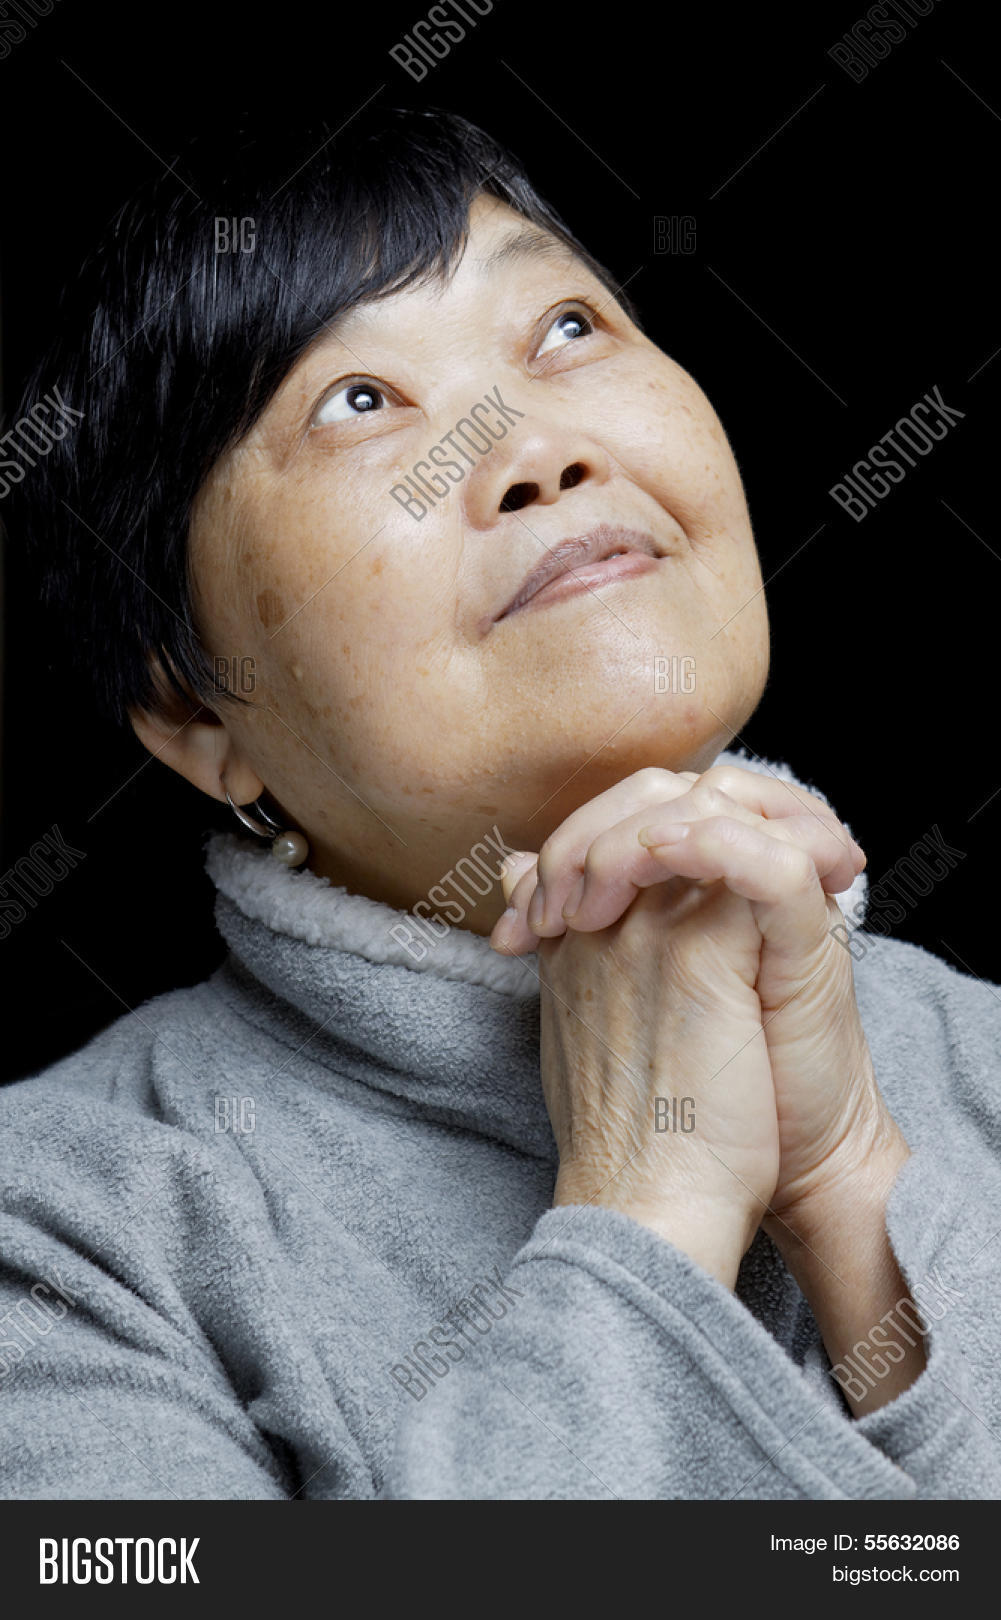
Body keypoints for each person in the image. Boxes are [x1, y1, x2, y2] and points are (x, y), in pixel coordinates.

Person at [1, 107, 997, 1499]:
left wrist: (847, 1188)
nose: (537, 447)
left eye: (568, 330)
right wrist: (646, 1217)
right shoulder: (58, 1236)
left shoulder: (975, 1051)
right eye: (358, 401)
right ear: (190, 709)